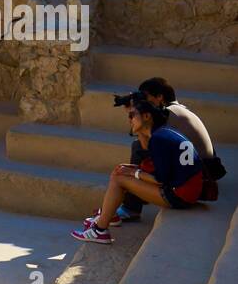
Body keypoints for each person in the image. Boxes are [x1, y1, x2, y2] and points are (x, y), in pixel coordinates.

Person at [72, 98, 204, 243]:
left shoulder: (158, 139)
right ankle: (109, 215)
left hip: (181, 196)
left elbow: (161, 179)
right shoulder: (164, 132)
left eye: (132, 115)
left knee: (119, 179)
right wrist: (135, 169)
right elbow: (164, 170)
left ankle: (99, 230)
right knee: (121, 171)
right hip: (189, 190)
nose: (129, 120)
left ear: (147, 116)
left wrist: (135, 173)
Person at [119, 77, 219, 220]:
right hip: (203, 167)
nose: (143, 103)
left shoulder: (169, 113)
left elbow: (150, 142)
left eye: (145, 98)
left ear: (160, 97)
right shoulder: (179, 109)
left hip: (201, 175)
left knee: (138, 148)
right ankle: (139, 196)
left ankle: (131, 207)